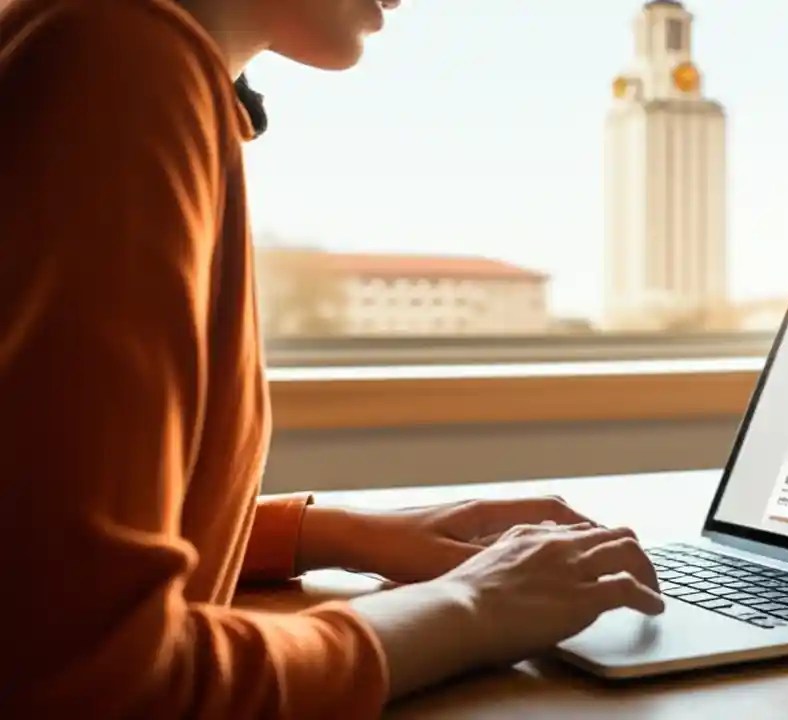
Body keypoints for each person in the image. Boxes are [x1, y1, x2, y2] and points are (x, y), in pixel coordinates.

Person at [0, 0, 664, 715]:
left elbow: (46, 543)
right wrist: (471, 605)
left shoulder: (118, 48)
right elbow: (95, 681)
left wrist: (340, 533)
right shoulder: (118, 62)